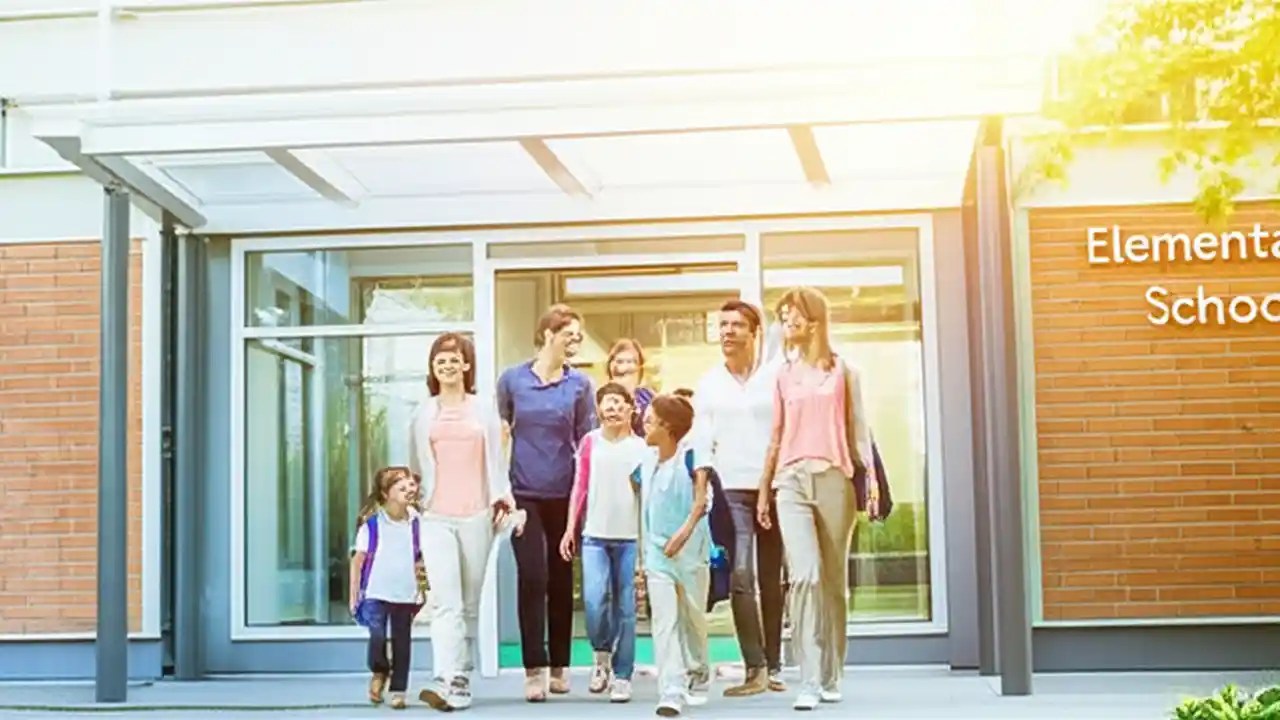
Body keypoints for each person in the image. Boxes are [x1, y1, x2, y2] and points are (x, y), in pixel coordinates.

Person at [756, 287, 877, 711]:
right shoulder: (781, 375)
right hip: (790, 481)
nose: (786, 322)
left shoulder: (845, 371)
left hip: (834, 479)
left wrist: (872, 481)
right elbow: (775, 434)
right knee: (804, 576)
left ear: (815, 321)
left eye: (793, 315)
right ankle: (807, 678)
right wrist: (764, 488)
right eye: (783, 315)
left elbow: (859, 429)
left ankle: (831, 673)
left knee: (832, 585)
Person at [408, 333, 522, 712]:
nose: (448, 365)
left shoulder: (483, 410)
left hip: (477, 516)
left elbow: (496, 460)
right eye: (440, 360)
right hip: (436, 516)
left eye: (454, 359)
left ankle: (462, 675)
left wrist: (503, 498)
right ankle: (447, 677)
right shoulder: (423, 413)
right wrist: (415, 503)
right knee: (445, 603)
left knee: (470, 603)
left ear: (466, 365)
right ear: (433, 368)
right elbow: (414, 465)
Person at [497, 304, 597, 702]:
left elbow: (585, 442)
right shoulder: (512, 381)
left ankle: (560, 666)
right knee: (532, 576)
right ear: (547, 334)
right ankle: (533, 669)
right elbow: (502, 434)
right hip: (524, 494)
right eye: (568, 334)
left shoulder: (580, 386)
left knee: (560, 581)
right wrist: (502, 491)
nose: (574, 341)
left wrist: (585, 500)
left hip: (565, 496)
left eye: (578, 335)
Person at [688, 300, 787, 696]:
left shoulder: (775, 376)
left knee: (773, 579)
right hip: (731, 491)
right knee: (742, 575)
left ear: (754, 331)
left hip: (777, 487)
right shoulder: (709, 382)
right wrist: (701, 489)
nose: (727, 331)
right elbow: (701, 440)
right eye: (722, 325)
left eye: (736, 325)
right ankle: (755, 668)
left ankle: (775, 666)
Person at [559, 382, 648, 703]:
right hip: (594, 536)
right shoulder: (589, 442)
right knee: (595, 601)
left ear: (630, 409)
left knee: (626, 609)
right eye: (606, 404)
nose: (612, 409)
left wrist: (646, 548)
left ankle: (623, 675)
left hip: (629, 538)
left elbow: (646, 497)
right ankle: (601, 658)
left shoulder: (641, 448)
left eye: (618, 403)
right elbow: (579, 487)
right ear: (598, 410)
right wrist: (571, 528)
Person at [636, 394, 712, 718]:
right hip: (657, 555)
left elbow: (701, 501)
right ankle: (671, 690)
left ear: (668, 427)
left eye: (651, 419)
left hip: (692, 552)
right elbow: (644, 512)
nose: (644, 422)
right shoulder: (646, 463)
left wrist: (684, 533)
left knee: (693, 617)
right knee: (664, 621)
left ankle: (698, 673)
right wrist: (644, 555)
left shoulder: (692, 456)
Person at [350, 466, 426, 710]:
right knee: (378, 635)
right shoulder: (371, 525)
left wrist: (425, 586)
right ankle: (380, 671)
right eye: (401, 488)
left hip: (405, 591)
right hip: (375, 591)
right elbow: (357, 561)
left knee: (402, 640)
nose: (408, 491)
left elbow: (423, 557)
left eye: (410, 487)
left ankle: (399, 689)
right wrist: (354, 595)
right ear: (385, 494)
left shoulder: (418, 523)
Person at [605, 338, 655, 436]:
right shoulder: (600, 398)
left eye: (630, 361)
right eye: (619, 361)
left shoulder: (648, 397)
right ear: (610, 366)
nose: (625, 367)